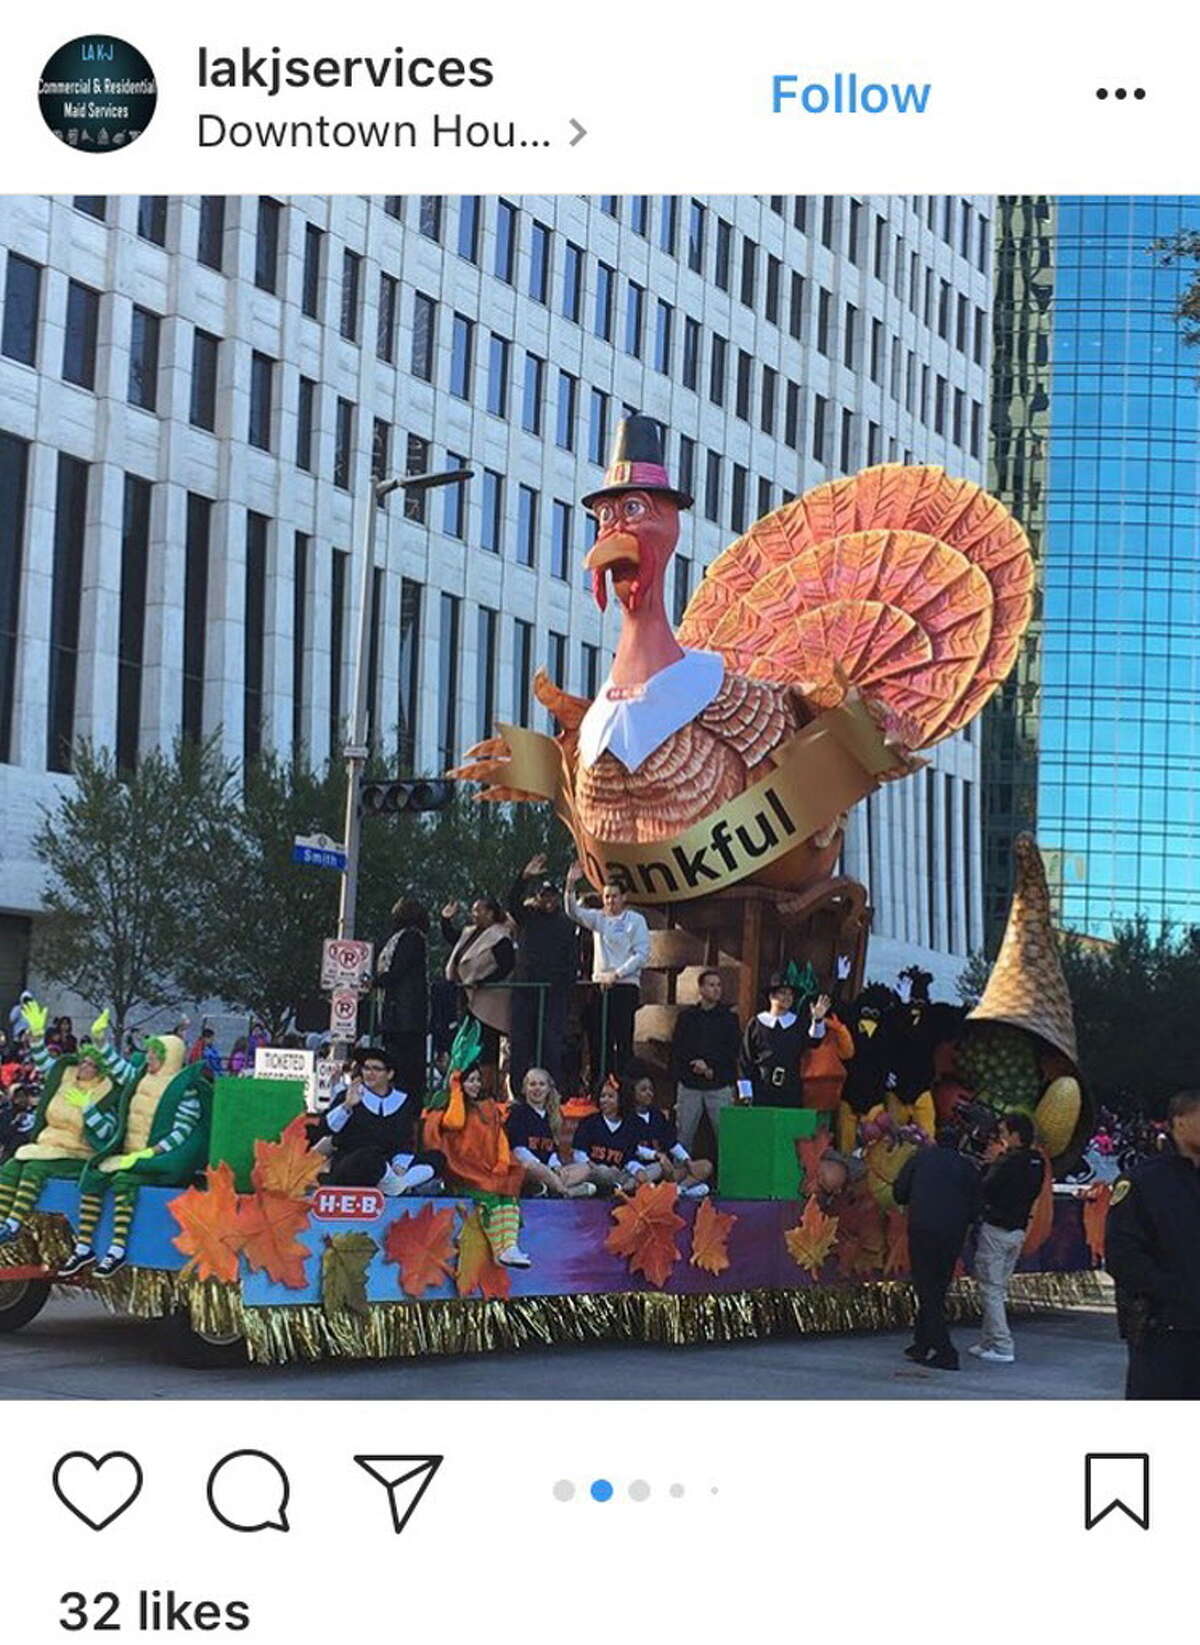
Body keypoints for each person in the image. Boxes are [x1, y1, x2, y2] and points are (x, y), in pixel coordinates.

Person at [62, 1031, 213, 1279]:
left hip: (160, 1162)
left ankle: (117, 1248)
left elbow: (182, 1132)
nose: (150, 1056)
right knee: (93, 1175)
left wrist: (150, 1154)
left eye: (156, 1053)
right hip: (130, 1154)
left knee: (124, 1181)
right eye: (150, 1051)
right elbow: (119, 1069)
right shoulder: (141, 1077)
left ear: (170, 1058)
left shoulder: (185, 1090)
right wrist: (101, 1041)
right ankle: (83, 1246)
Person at [1106, 1088, 1200, 1400]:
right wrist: (1179, 1291)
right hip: (1165, 1333)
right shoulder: (1143, 1182)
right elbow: (1122, 1256)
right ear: (1180, 1122)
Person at [422, 1058, 529, 1266]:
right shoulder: (444, 1105)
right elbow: (455, 1121)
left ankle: (510, 1247)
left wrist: (503, 1162)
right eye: (470, 1080)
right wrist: (455, 1092)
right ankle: (502, 1250)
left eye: (477, 1080)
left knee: (508, 1197)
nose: (476, 1085)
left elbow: (500, 1139)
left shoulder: (488, 1107)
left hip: (488, 1170)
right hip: (464, 1173)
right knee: (490, 1198)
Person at [893, 1126, 982, 1371]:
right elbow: (977, 1206)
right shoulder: (967, 1167)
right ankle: (922, 1343)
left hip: (923, 1229)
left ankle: (945, 1351)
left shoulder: (920, 1159)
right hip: (952, 1233)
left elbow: (899, 1192)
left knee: (926, 1288)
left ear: (935, 1140)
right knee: (937, 1287)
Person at [564, 861, 650, 1086]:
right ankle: (598, 1088)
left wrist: (618, 974)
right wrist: (570, 884)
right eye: (606, 897)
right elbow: (573, 912)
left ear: (624, 898)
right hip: (599, 987)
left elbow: (641, 954)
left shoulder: (635, 921)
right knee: (598, 1041)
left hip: (624, 987)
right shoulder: (598, 919)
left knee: (622, 1040)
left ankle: (624, 1088)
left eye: (614, 896)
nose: (610, 901)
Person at [969, 1110, 1045, 1364]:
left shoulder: (1007, 1162)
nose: (1000, 1139)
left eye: (1003, 1133)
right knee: (997, 1288)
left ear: (1015, 1135)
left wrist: (990, 1164)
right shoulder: (1037, 1161)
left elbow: (986, 1189)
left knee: (990, 1289)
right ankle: (988, 1340)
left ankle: (1002, 1344)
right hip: (1019, 1229)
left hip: (997, 1229)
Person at [323, 1046, 444, 1195]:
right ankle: (395, 1187)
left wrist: (401, 1163)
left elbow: (404, 1142)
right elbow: (328, 1129)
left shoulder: (403, 1102)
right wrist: (347, 1106)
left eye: (376, 1069)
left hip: (390, 1166)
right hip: (354, 1163)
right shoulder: (348, 1095)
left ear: (390, 1074)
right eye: (366, 1068)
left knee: (436, 1158)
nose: (369, 1073)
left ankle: (398, 1185)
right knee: (370, 1157)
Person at [507, 855, 578, 1095]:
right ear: (537, 898)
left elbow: (572, 960)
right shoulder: (528, 917)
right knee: (520, 1044)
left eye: (552, 896)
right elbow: (511, 902)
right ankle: (519, 1093)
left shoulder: (566, 924)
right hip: (525, 990)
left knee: (552, 1046)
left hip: (553, 994)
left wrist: (565, 989)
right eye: (543, 896)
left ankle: (553, 1094)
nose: (548, 900)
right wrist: (524, 877)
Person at [669, 969, 741, 1159]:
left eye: (719, 985)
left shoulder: (729, 1019)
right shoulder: (687, 1018)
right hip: (690, 1083)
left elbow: (732, 1051)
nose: (716, 989)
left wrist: (711, 1069)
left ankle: (728, 1181)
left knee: (726, 1136)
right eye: (711, 985)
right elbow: (678, 1049)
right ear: (701, 989)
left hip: (718, 1084)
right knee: (683, 1136)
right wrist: (694, 1066)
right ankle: (680, 1180)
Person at [442, 896, 516, 1072]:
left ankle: (487, 1084)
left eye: (478, 910)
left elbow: (507, 965)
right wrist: (445, 919)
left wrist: (484, 981)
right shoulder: (470, 932)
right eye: (473, 910)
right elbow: (453, 938)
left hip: (489, 998)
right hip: (467, 994)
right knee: (465, 1040)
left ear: (490, 913)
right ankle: (466, 1079)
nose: (473, 914)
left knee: (485, 1042)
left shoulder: (499, 936)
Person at [505, 1066, 596, 1198]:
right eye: (532, 1084)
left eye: (542, 1084)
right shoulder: (518, 1113)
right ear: (525, 1089)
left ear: (548, 1088)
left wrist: (556, 1167)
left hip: (548, 1170)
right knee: (532, 1167)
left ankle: (548, 1188)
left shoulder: (552, 1115)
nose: (537, 1088)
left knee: (585, 1168)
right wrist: (545, 1169)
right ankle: (567, 1191)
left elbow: (552, 1151)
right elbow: (519, 1151)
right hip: (527, 1168)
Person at [627, 1066, 711, 1198]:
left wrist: (687, 1161)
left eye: (651, 1089)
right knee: (653, 1172)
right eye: (643, 1090)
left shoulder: (657, 1115)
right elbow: (630, 1148)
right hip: (643, 1170)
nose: (649, 1093)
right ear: (632, 1093)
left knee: (705, 1166)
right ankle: (677, 1192)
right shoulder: (627, 1117)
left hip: (666, 1170)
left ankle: (679, 1190)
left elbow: (671, 1142)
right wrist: (656, 1155)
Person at [376, 897, 430, 1102]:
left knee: (404, 1066)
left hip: (404, 1015)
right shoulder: (412, 938)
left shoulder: (410, 938)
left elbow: (397, 970)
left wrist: (374, 981)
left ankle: (407, 1107)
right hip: (404, 1014)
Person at [567, 1075, 652, 1196]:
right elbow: (578, 1153)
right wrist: (593, 1166)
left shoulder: (629, 1126)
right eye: (602, 1096)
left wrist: (639, 1171)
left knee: (649, 1171)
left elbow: (629, 1158)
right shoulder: (589, 1122)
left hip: (619, 1173)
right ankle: (616, 1189)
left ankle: (617, 1188)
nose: (605, 1100)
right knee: (603, 1172)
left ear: (621, 1099)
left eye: (610, 1097)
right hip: (593, 1171)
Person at [739, 975, 815, 1108]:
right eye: (782, 993)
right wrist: (746, 1092)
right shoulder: (756, 1023)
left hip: (790, 1088)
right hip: (761, 1088)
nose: (787, 997)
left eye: (790, 994)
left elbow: (814, 1042)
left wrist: (817, 1020)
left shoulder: (798, 1023)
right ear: (771, 996)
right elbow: (745, 1059)